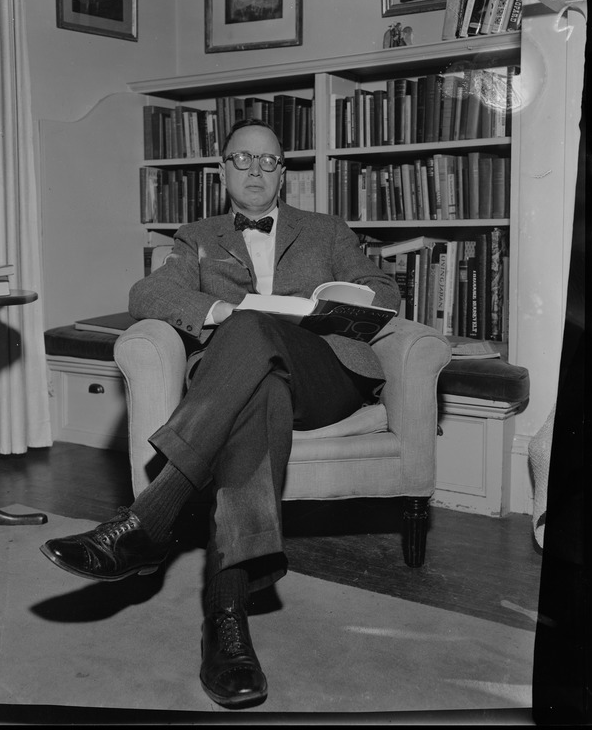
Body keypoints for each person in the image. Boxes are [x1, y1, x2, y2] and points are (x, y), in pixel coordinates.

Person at [40, 118, 401, 709]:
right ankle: (227, 623)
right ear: (223, 169)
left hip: (325, 372)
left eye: (269, 161)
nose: (256, 171)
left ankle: (148, 521)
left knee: (258, 333)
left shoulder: (328, 229)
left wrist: (339, 303)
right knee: (258, 381)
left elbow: (383, 290)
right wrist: (219, 314)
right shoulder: (197, 234)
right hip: (246, 381)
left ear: (285, 172)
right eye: (243, 159)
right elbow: (148, 296)